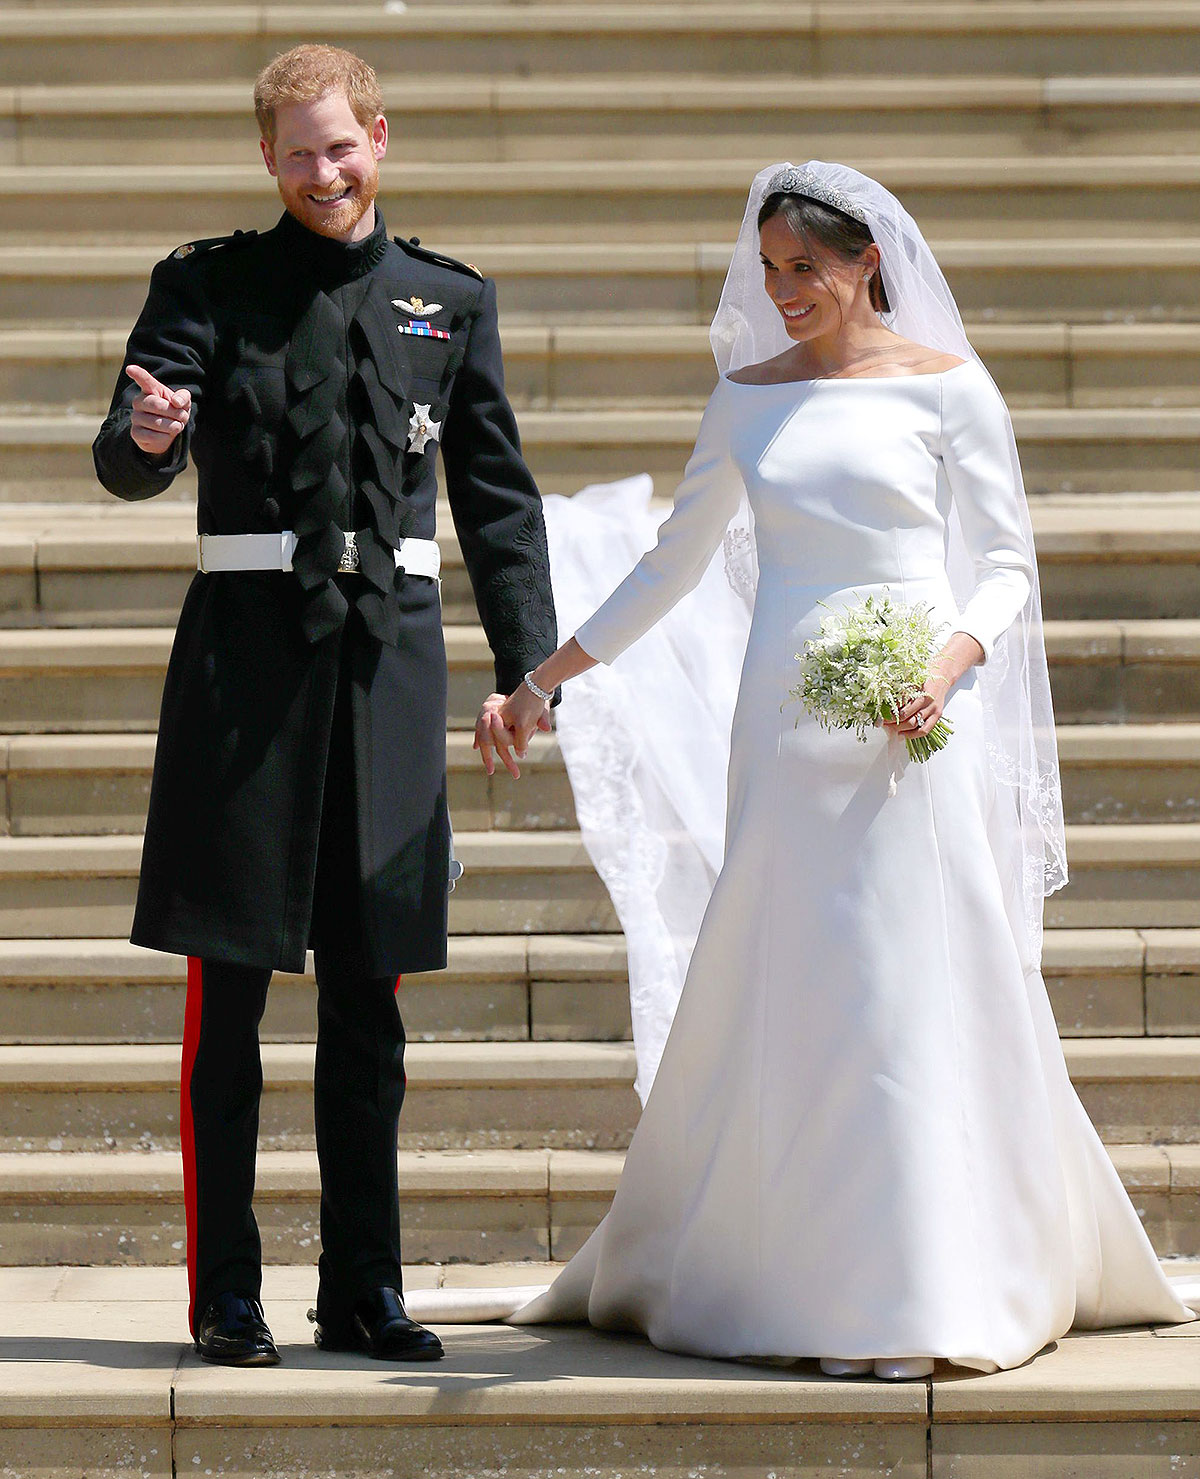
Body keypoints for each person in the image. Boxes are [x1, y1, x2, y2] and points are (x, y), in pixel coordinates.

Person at [458, 162, 1197, 1377]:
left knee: (919, 962)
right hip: (785, 716)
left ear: (866, 265)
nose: (783, 290)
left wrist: (951, 660)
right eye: (768, 270)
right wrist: (545, 679)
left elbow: (1007, 562)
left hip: (917, 714)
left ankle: (941, 1273)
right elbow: (670, 568)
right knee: (798, 968)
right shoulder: (746, 401)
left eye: (806, 268)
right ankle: (786, 1266)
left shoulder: (951, 389)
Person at [91, 44, 558, 1366]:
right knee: (224, 1004)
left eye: (340, 144)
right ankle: (225, 1296)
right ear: (265, 158)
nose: (322, 170)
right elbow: (124, 453)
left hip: (390, 671)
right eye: (296, 151)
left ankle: (364, 1288)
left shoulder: (445, 301)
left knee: (371, 1002)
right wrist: (152, 434)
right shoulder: (205, 286)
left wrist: (528, 665)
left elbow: (498, 500)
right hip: (243, 676)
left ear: (380, 138)